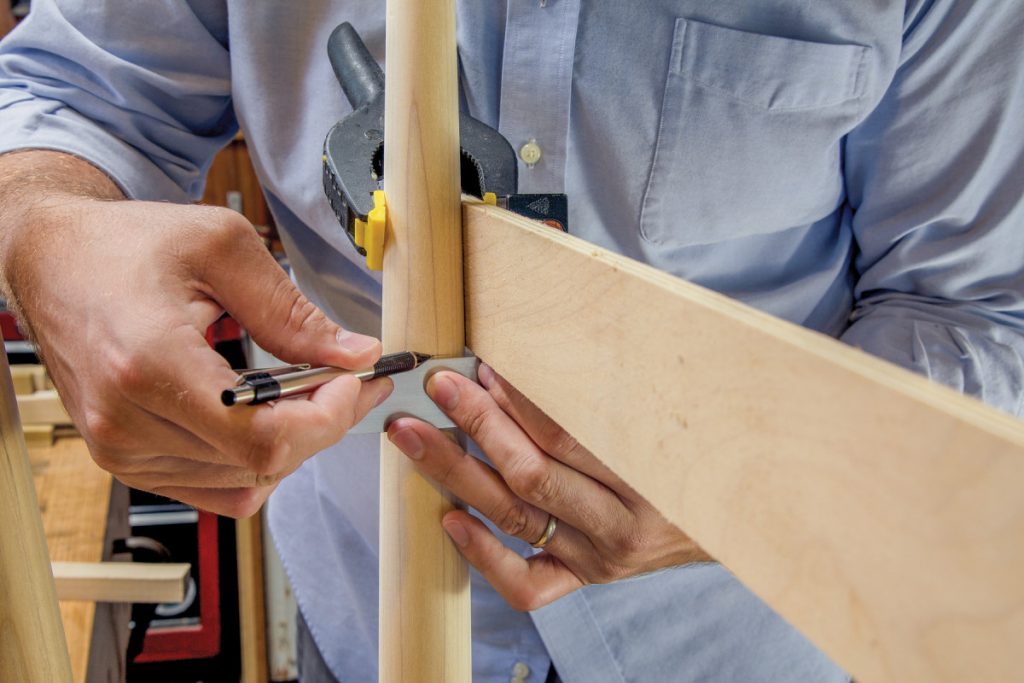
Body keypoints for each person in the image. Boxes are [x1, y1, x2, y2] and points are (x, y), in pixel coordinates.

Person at [1, 2, 1022, 681]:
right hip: (360, 605)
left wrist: (751, 489)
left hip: (739, 637)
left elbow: (977, 312)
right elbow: (75, 90)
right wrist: (51, 232)